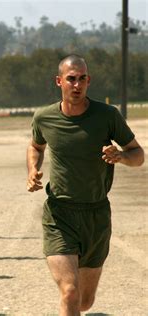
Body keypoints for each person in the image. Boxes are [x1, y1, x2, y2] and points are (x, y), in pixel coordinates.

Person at [26, 55, 144, 315]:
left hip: (96, 215)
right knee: (70, 291)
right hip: (60, 214)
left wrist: (121, 156)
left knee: (85, 301)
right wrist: (33, 169)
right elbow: (36, 146)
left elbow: (138, 154)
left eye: (82, 79)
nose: (76, 85)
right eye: (71, 79)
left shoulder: (107, 116)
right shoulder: (44, 117)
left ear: (88, 81)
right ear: (59, 81)